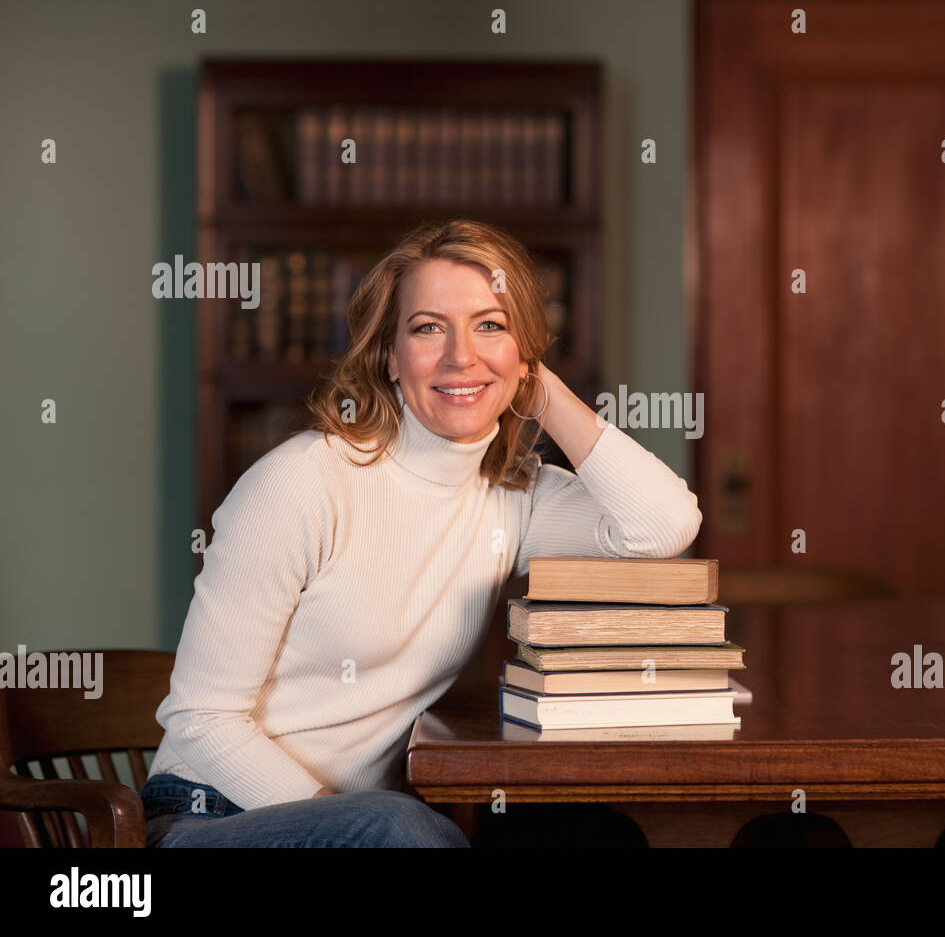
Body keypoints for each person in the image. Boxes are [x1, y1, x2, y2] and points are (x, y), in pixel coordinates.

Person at [139, 219, 703, 847]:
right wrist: (350, 822)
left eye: (491, 326)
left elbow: (662, 526)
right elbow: (200, 717)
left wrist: (540, 390)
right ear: (389, 356)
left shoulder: (515, 495)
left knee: (591, 832)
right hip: (209, 817)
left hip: (380, 826)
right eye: (428, 328)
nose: (461, 356)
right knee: (399, 828)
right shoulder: (301, 482)